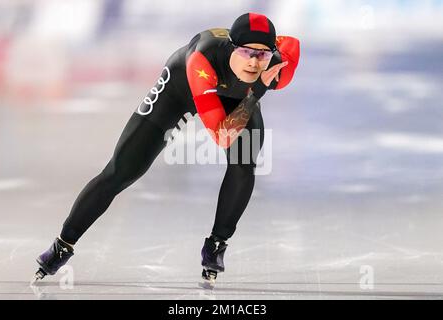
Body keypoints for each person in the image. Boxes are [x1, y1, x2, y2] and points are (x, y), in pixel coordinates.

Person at [33, 12, 300, 287]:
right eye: (246, 52)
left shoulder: (278, 66)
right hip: (180, 89)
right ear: (232, 47)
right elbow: (222, 136)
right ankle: (63, 244)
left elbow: (291, 43)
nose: (255, 62)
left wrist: (255, 89)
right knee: (122, 171)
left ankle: (217, 244)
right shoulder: (203, 58)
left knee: (244, 164)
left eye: (263, 55)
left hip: (237, 99)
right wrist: (257, 90)